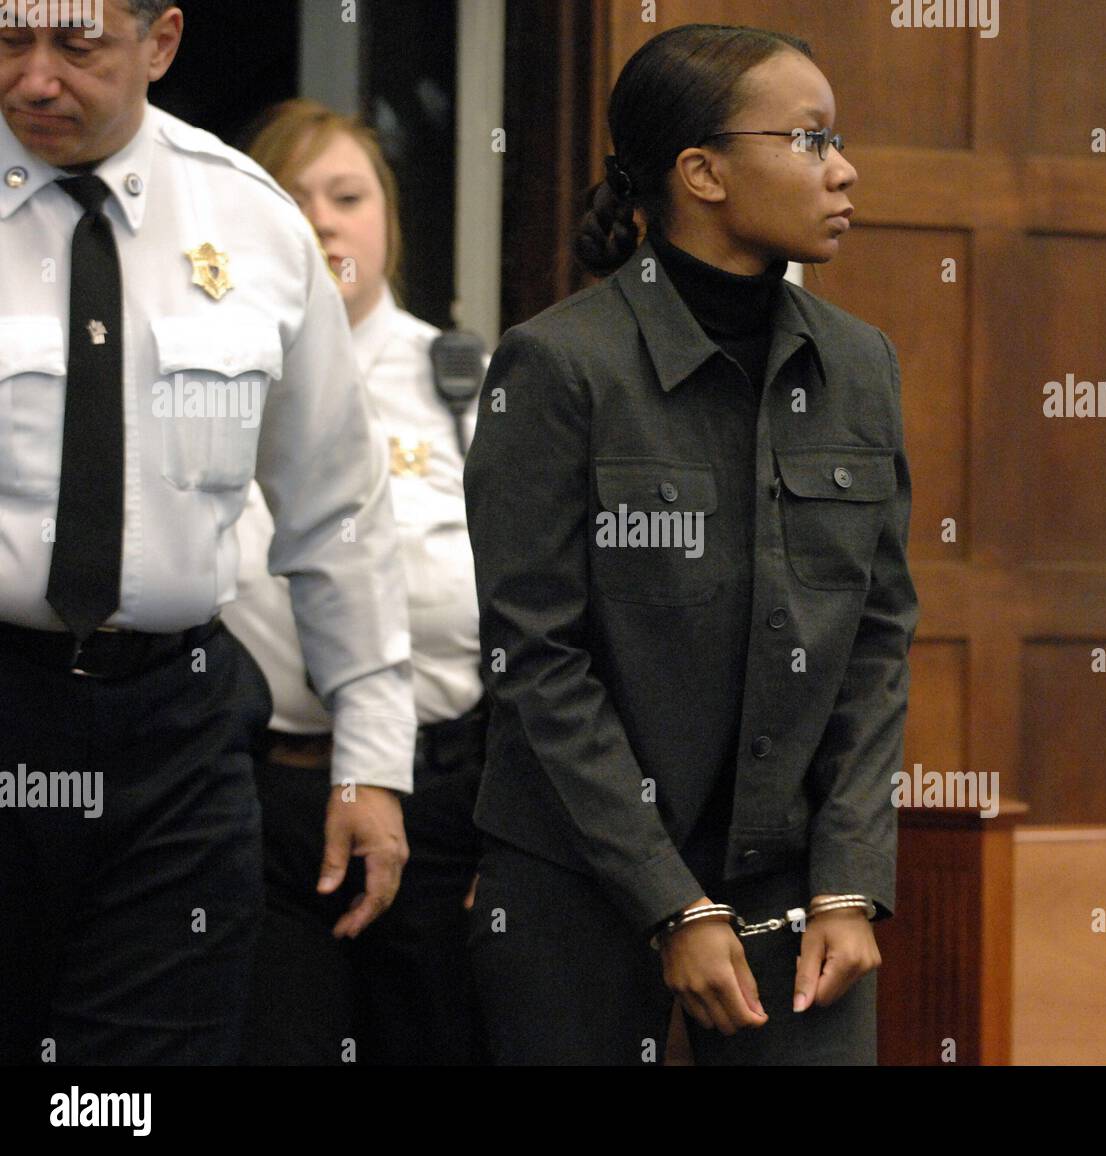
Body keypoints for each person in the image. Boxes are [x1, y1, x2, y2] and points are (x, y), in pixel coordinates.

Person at [464, 23, 919, 1066]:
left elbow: (876, 640)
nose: (842, 168)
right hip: (579, 874)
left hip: (792, 881)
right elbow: (536, 659)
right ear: (701, 171)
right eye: (808, 139)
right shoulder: (556, 366)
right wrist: (669, 900)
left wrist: (849, 879)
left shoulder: (858, 365)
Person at [0, 1, 415, 1065]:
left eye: (76, 45)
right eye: (8, 40)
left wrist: (369, 759)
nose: (36, 78)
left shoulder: (253, 220)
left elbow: (336, 506)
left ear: (162, 42)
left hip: (174, 740)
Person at [222, 99, 488, 1066]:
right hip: (266, 798)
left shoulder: (464, 380)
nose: (326, 221)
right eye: (295, 198)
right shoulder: (207, 371)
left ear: (390, 219)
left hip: (442, 797)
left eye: (349, 196)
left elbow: (537, 616)